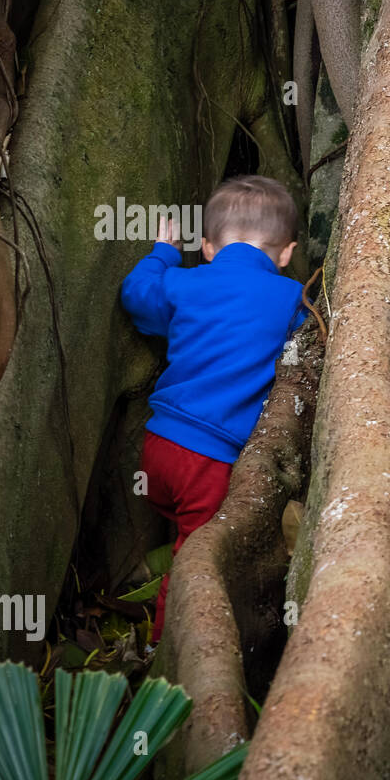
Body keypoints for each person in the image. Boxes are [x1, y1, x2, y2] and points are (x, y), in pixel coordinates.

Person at [121, 175, 305, 642]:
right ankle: (165, 649)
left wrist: (163, 252)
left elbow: (137, 297)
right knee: (196, 561)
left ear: (206, 247)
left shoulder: (184, 284)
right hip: (213, 461)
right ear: (286, 254)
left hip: (159, 450)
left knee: (192, 533)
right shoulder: (291, 298)